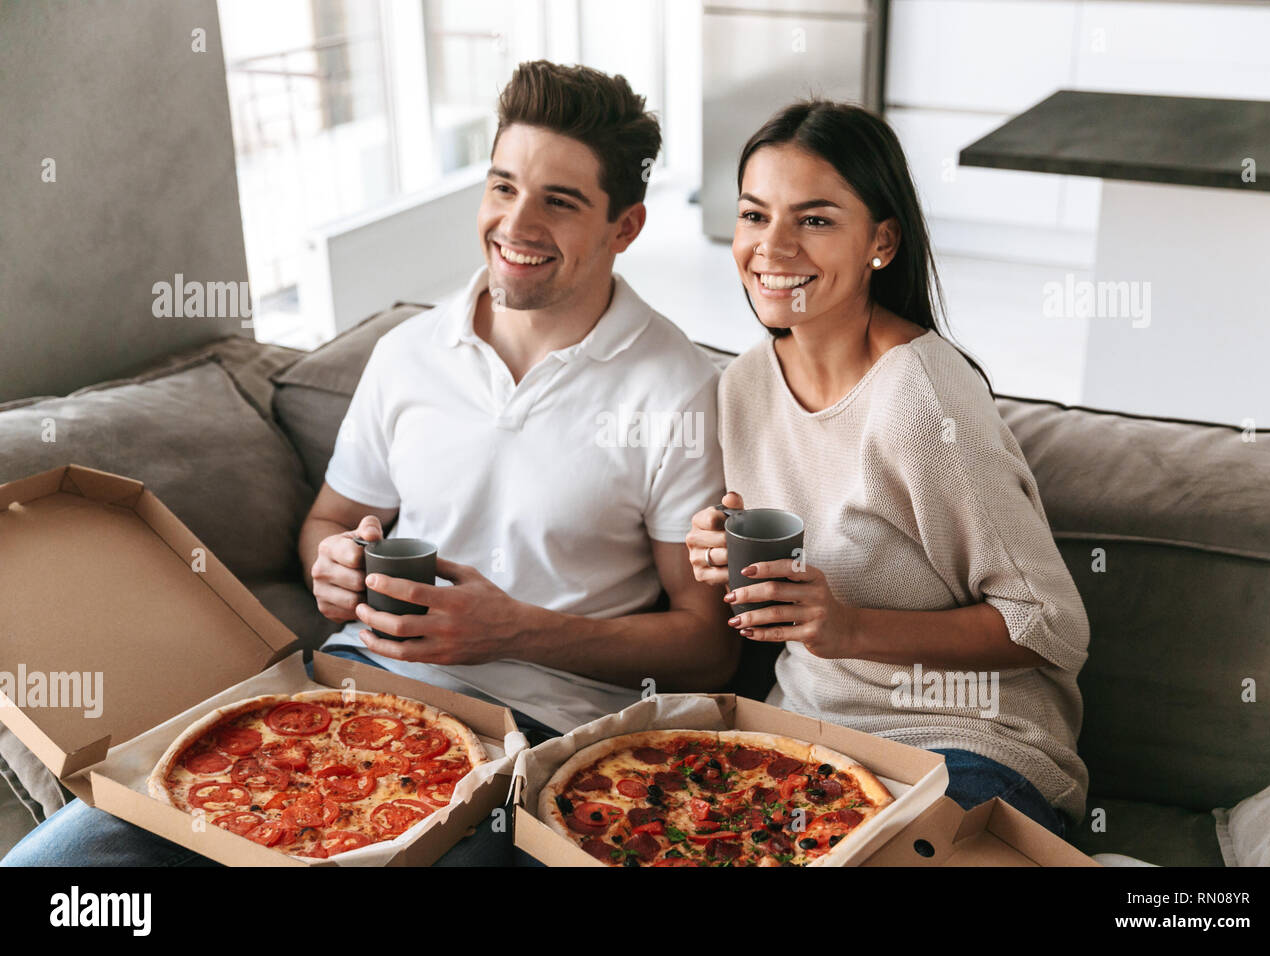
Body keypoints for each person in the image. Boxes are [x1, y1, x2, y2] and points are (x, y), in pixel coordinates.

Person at [2, 60, 734, 867]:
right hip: (341, 692)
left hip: (544, 743)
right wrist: (335, 568)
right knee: (50, 874)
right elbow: (328, 520)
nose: (516, 223)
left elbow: (705, 646)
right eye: (502, 187)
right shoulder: (408, 353)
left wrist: (520, 631)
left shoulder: (679, 387)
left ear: (623, 228)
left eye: (559, 202)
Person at [684, 100, 1090, 838]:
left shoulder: (921, 398)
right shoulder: (740, 385)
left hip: (963, 747)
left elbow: (1050, 625)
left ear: (881, 240)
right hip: (803, 736)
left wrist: (850, 628)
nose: (771, 247)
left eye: (814, 220)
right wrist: (720, 546)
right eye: (753, 215)